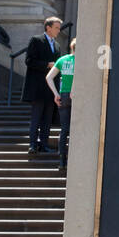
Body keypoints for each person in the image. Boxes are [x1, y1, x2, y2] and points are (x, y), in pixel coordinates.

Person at [24, 16, 63, 154]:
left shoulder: (58, 46)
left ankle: (44, 144)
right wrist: (47, 64)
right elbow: (29, 60)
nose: (59, 30)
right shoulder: (36, 40)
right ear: (48, 27)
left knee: (47, 119)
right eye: (57, 28)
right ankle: (33, 145)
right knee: (36, 117)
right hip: (38, 87)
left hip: (51, 89)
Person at [46, 38, 76, 172]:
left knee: (64, 129)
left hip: (63, 95)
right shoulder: (81, 60)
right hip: (76, 96)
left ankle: (62, 161)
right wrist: (74, 90)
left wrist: (55, 94)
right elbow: (77, 76)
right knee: (76, 129)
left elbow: (48, 77)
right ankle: (74, 159)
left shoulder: (62, 60)